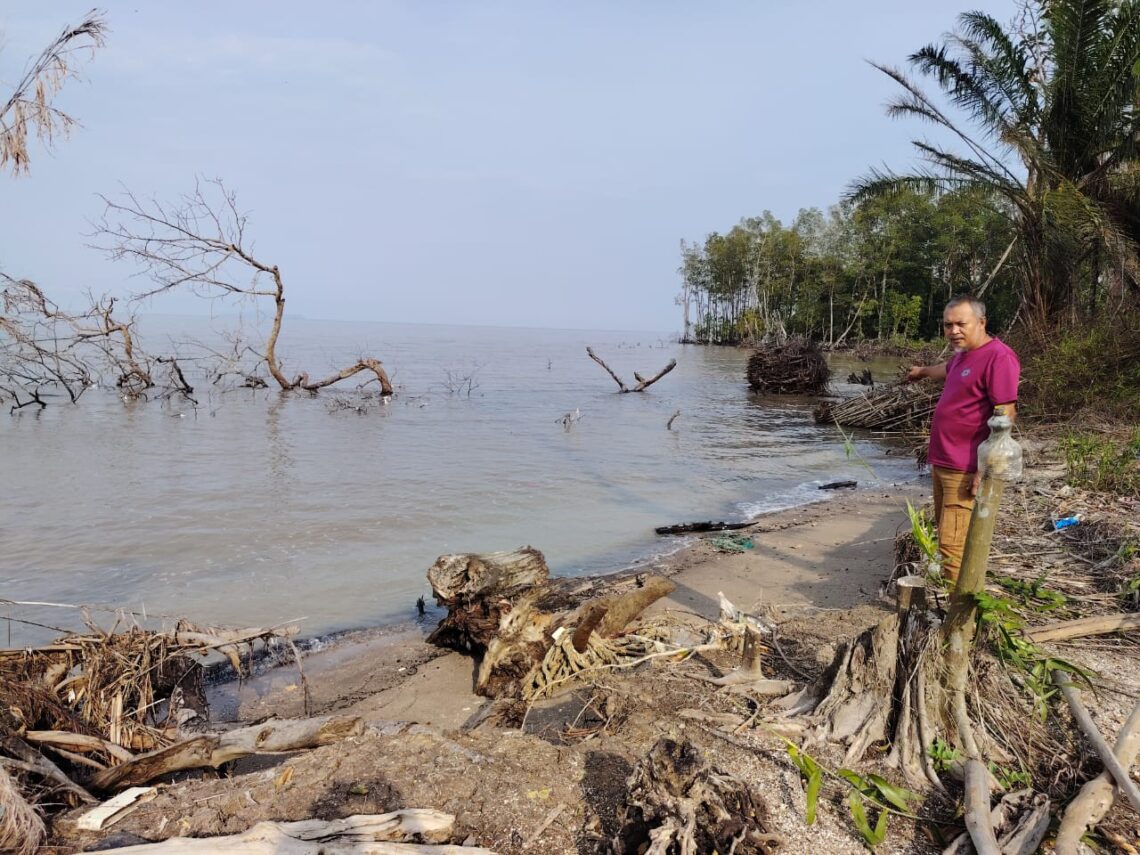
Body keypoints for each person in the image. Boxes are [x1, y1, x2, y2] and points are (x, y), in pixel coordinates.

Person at [906, 296, 1020, 584]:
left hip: (965, 467)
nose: (953, 330)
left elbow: (1006, 412)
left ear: (982, 323)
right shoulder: (962, 356)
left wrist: (984, 469)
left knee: (952, 544)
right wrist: (921, 372)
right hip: (943, 462)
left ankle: (960, 618)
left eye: (961, 324)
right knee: (948, 535)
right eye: (948, 325)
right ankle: (958, 601)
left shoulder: (999, 357)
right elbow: (944, 370)